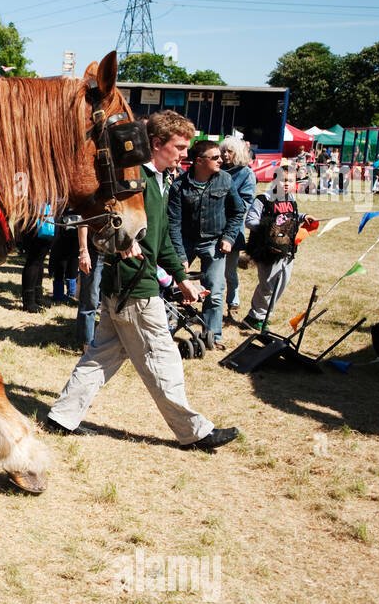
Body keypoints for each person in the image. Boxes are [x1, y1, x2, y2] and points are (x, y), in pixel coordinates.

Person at [42, 110, 239, 452]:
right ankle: (195, 432)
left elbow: (160, 241)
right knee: (163, 360)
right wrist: (120, 244)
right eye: (178, 147)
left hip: (128, 289)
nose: (184, 154)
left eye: (187, 148)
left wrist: (181, 279)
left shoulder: (160, 181)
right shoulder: (136, 181)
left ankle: (61, 417)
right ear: (157, 144)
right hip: (134, 289)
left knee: (100, 357)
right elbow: (99, 220)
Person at [166, 138, 246, 350]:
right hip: (185, 241)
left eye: (220, 156)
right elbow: (173, 223)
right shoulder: (178, 186)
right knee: (169, 287)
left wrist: (228, 237)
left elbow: (238, 211)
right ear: (199, 161)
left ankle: (213, 336)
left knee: (215, 290)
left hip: (214, 242)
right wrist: (180, 256)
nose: (221, 160)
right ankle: (165, 330)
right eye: (215, 157)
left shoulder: (225, 180)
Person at [241, 168, 316, 333]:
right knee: (267, 285)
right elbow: (250, 221)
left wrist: (303, 217)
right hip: (267, 250)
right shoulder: (264, 199)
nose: (287, 184)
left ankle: (265, 315)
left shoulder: (291, 198)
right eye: (284, 180)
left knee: (282, 283)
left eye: (291, 180)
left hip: (287, 249)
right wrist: (270, 229)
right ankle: (254, 317)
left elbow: (291, 216)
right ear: (275, 180)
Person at [219, 137, 256, 322]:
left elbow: (245, 203)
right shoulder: (216, 169)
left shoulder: (246, 173)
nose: (225, 155)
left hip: (233, 230)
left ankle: (233, 305)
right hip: (213, 228)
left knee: (230, 272)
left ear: (238, 153)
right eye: (223, 151)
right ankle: (212, 305)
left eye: (230, 151)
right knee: (211, 272)